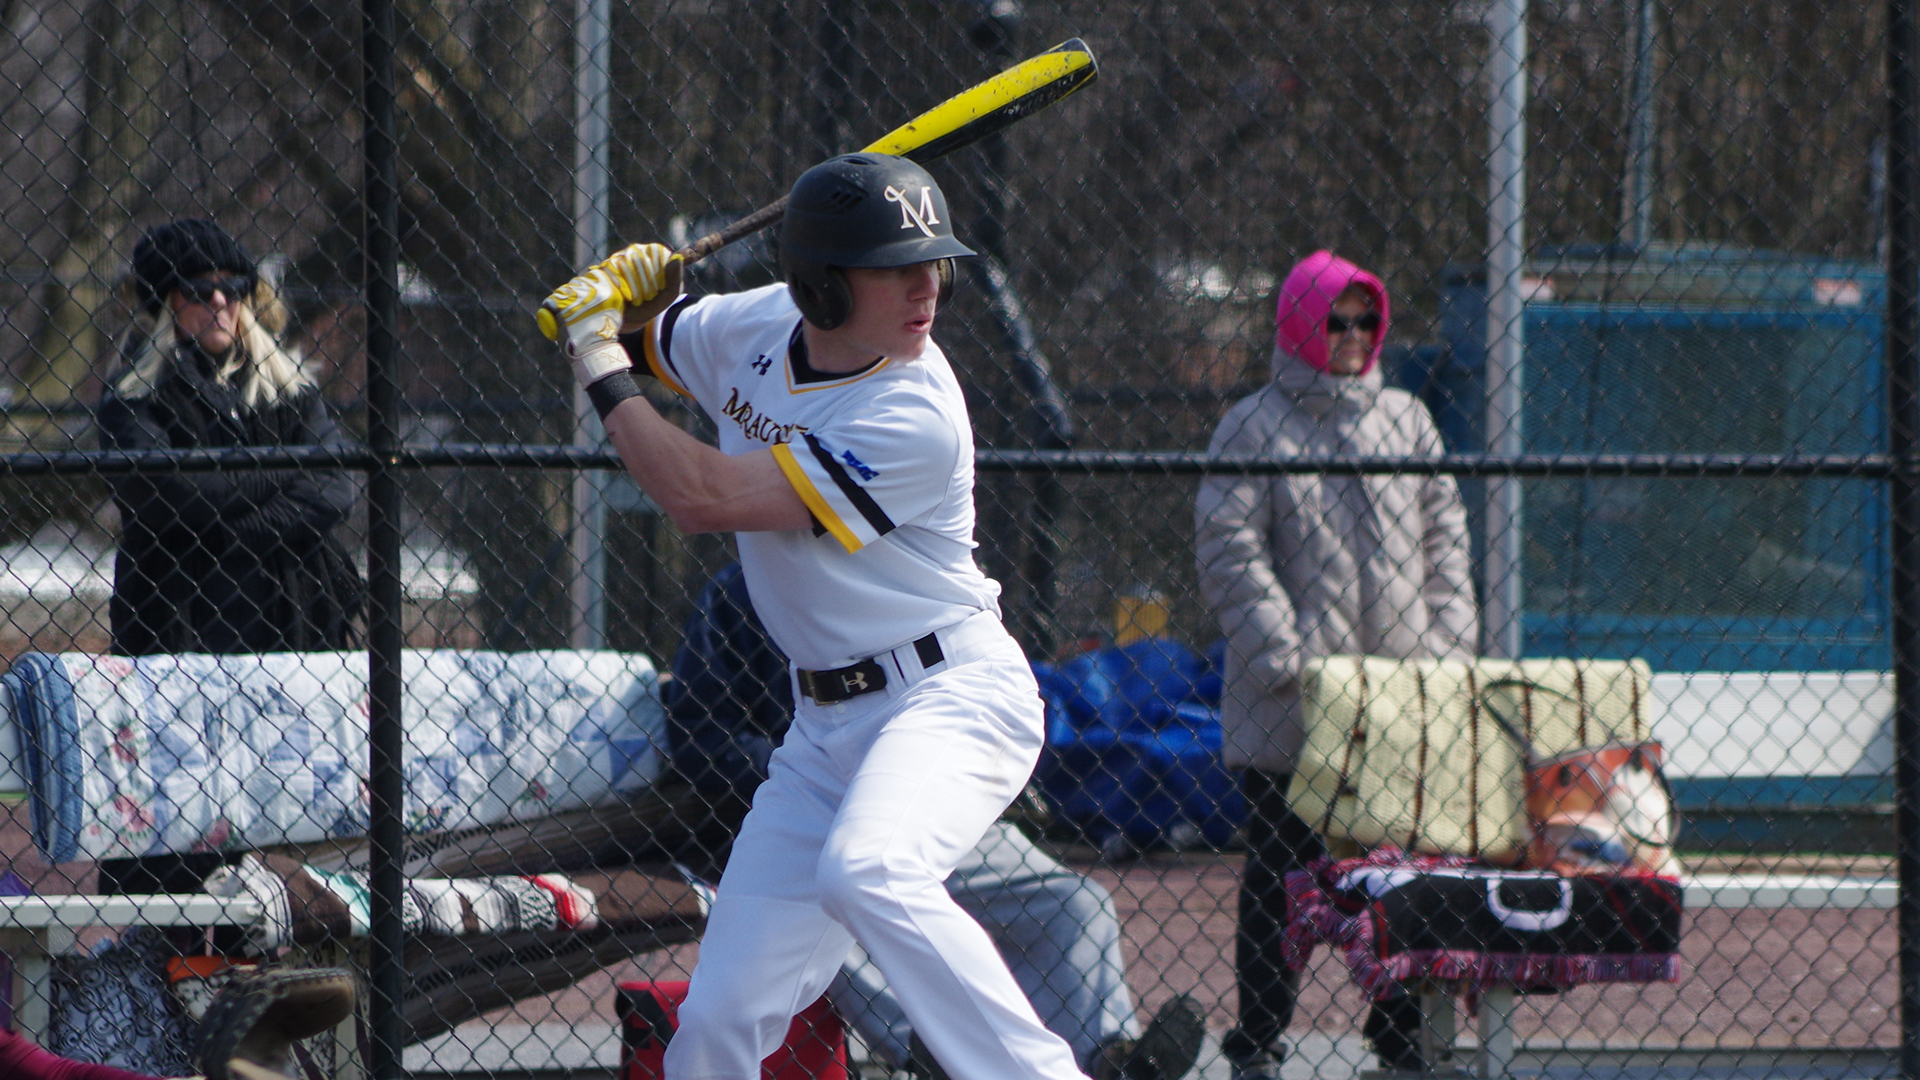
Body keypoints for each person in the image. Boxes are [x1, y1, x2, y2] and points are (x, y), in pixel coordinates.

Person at [540, 152, 1085, 1080]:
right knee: (715, 1027)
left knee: (871, 870)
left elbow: (700, 493)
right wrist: (625, 305)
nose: (929, 288)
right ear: (823, 288)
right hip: (822, 733)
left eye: (936, 263)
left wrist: (593, 349)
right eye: (895, 266)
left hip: (949, 696)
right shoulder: (752, 325)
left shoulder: (916, 411)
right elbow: (654, 348)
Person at [664, 563, 1204, 1080]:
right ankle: (932, 1054)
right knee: (851, 889)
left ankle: (1110, 1057)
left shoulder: (904, 557)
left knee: (1071, 902)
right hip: (813, 808)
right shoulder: (741, 591)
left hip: (921, 787)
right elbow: (700, 733)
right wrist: (804, 776)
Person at [1194, 250, 1479, 1076]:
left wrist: (1445, 656)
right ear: (1298, 324)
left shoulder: (1407, 420)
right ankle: (1259, 1037)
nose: (1354, 337)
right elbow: (1229, 548)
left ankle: (1396, 1037)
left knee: (1394, 872)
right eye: (1335, 321)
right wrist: (1288, 657)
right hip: (1294, 702)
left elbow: (1445, 546)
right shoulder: (1254, 425)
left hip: (1394, 699)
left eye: (1367, 321)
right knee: (1279, 872)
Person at [97, 218, 362, 657]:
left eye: (234, 287)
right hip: (178, 617)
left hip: (296, 617)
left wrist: (227, 536)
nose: (219, 301)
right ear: (168, 300)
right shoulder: (133, 397)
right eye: (199, 289)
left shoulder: (288, 386)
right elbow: (173, 488)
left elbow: (335, 488)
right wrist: (285, 466)